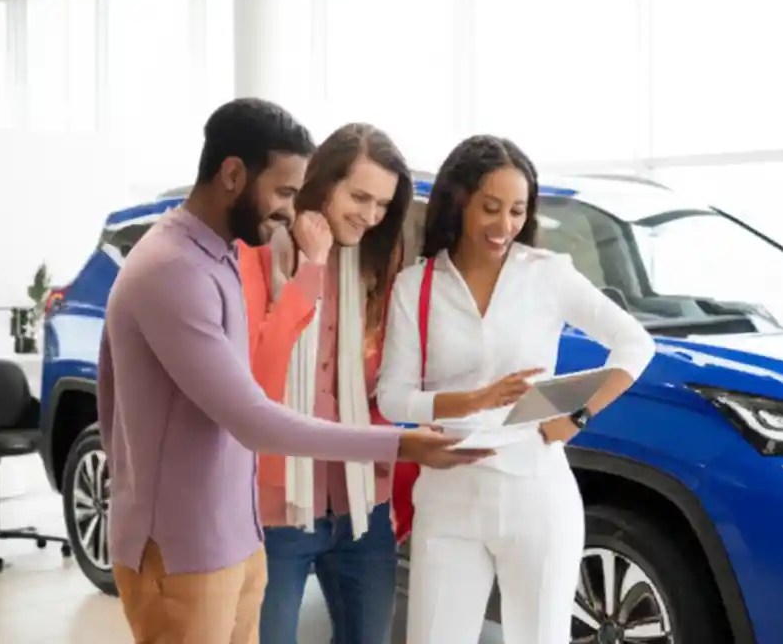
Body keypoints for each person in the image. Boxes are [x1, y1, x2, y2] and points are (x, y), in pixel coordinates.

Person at [96, 98, 490, 644]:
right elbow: (255, 402)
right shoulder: (189, 266)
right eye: (285, 191)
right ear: (235, 175)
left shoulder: (221, 254)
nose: (371, 214)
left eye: (382, 203)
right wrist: (401, 446)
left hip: (256, 526)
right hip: (216, 529)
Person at [376, 134, 656, 644]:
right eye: (490, 208)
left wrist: (577, 418)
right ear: (458, 201)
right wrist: (471, 402)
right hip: (448, 497)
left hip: (537, 491)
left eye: (516, 211)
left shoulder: (547, 276)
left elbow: (634, 344)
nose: (505, 225)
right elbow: (392, 397)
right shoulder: (415, 286)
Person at [239, 123, 413, 644]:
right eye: (359, 196)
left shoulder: (379, 262)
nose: (372, 215)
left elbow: (387, 382)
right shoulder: (259, 258)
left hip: (362, 505)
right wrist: (312, 267)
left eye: (383, 204)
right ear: (320, 184)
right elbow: (261, 376)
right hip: (278, 506)